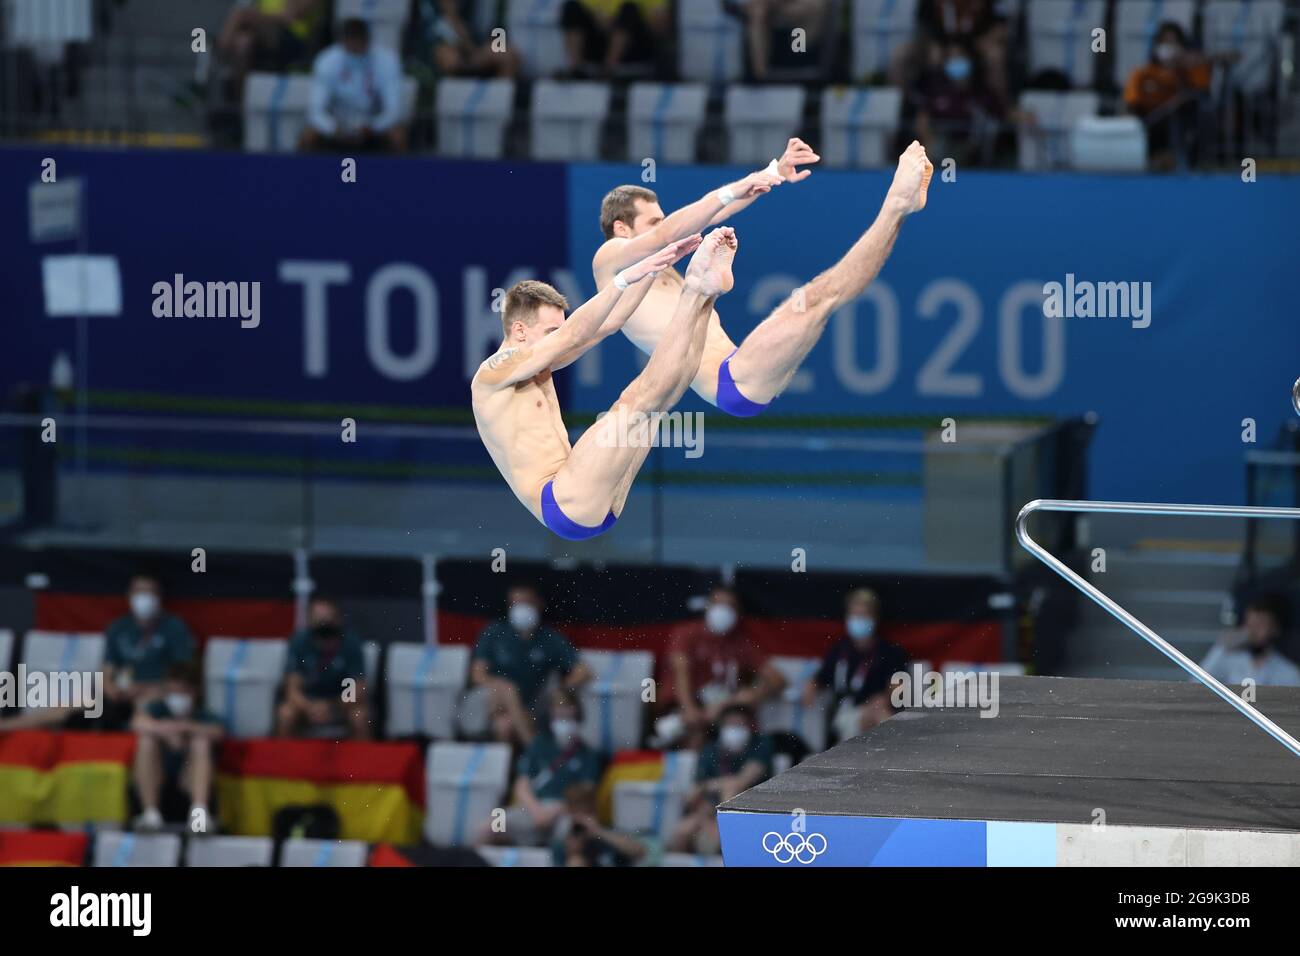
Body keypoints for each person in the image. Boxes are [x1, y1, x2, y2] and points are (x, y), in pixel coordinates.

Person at [590, 140, 930, 420]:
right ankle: (897, 205)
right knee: (818, 299)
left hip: (739, 371)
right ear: (621, 228)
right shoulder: (610, 260)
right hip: (729, 380)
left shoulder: (663, 264)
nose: (662, 225)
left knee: (820, 302)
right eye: (652, 221)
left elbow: (716, 213)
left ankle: (900, 209)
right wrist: (733, 190)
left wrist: (773, 172)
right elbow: (669, 232)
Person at [472, 228, 740, 542]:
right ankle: (694, 291)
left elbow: (609, 324)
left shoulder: (538, 365)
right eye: (550, 332)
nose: (557, 337)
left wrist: (652, 270)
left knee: (656, 407)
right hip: (559, 500)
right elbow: (573, 334)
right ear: (519, 330)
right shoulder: (492, 373)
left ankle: (702, 295)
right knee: (634, 402)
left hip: (592, 499)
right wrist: (624, 278)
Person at [658, 586, 786, 748]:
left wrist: (752, 694)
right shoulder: (686, 633)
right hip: (683, 706)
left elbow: (778, 679)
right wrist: (689, 708)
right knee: (694, 734)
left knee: (742, 728)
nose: (722, 611)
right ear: (707, 607)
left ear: (738, 613)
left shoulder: (740, 642)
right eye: (718, 603)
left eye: (729, 606)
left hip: (722, 707)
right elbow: (680, 672)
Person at [469, 584, 594, 745]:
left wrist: (561, 688)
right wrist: (498, 686)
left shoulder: (550, 638)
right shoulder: (494, 632)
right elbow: (477, 675)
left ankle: (517, 768)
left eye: (526, 603)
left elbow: (583, 671)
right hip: (490, 699)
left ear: (539, 604)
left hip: (531, 705)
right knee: (507, 689)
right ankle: (533, 750)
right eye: (515, 604)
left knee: (504, 725)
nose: (521, 609)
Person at [479, 688, 603, 846]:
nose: (563, 717)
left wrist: (555, 810)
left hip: (567, 814)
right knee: (488, 827)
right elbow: (521, 784)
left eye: (568, 712)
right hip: (532, 809)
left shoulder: (588, 754)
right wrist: (535, 810)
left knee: (574, 835)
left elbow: (585, 795)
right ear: (551, 715)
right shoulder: (539, 744)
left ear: (577, 715)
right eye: (559, 712)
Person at [803, 588, 910, 745]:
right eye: (854, 615)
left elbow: (899, 690)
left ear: (874, 618)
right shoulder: (839, 651)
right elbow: (820, 679)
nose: (857, 620)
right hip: (844, 714)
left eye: (863, 615)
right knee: (874, 716)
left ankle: (895, 752)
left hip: (878, 711)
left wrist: (885, 698)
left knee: (879, 713)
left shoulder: (891, 652)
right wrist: (810, 686)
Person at [131, 661, 224, 833]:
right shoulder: (158, 709)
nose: (177, 697)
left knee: (201, 742)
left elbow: (217, 732)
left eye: (182, 692)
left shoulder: (202, 714)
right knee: (146, 741)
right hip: (159, 779)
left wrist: (186, 728)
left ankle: (199, 815)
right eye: (172, 692)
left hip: (187, 780)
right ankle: (150, 814)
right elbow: (137, 723)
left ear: (194, 692)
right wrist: (166, 730)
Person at [1123, 21, 1229, 171]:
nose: (1169, 47)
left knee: (1199, 111)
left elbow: (1200, 91)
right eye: (1164, 42)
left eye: (1173, 42)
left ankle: (1193, 162)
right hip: (1152, 123)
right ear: (1156, 46)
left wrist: (1184, 66)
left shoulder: (1190, 68)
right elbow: (1132, 102)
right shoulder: (1142, 73)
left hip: (1182, 120)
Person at [669, 704, 772, 854]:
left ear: (750, 726)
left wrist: (709, 786)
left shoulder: (761, 744)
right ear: (721, 727)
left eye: (740, 724)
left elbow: (741, 781)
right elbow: (696, 792)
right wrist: (705, 820)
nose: (735, 729)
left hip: (752, 811)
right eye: (731, 725)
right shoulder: (710, 750)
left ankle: (725, 833)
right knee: (682, 832)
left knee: (730, 790)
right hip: (710, 812)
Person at [299, 18, 408, 153]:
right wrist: (332, 128)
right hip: (338, 123)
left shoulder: (387, 60)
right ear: (343, 41)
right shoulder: (327, 61)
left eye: (359, 41)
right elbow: (315, 109)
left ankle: (401, 173)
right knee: (308, 136)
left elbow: (394, 110)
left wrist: (373, 126)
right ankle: (305, 174)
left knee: (397, 136)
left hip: (372, 122)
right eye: (351, 41)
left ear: (367, 40)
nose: (356, 46)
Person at [103, 574, 197, 728]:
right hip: (122, 692)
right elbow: (107, 669)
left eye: (150, 592)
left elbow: (183, 677)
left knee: (143, 705)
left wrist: (142, 688)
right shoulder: (118, 627)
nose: (144, 597)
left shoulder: (174, 627)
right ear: (129, 595)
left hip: (159, 692)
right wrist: (111, 690)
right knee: (72, 705)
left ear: (159, 596)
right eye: (139, 591)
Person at [276, 596, 371, 740]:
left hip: (340, 704)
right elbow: (293, 688)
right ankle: (285, 760)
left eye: (328, 618)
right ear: (309, 620)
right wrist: (310, 707)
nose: (323, 623)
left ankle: (363, 761)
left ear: (338, 619)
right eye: (318, 618)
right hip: (307, 704)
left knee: (360, 716)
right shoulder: (299, 642)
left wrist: (332, 707)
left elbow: (356, 688)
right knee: (285, 714)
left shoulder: (351, 643)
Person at [1200, 594, 1300, 689]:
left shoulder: (1288, 672)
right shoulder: (1229, 659)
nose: (1252, 632)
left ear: (1275, 629)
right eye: (1249, 625)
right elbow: (1198, 682)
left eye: (1260, 625)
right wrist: (1222, 646)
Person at [560, 0, 669, 78]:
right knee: (571, 7)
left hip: (633, 47)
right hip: (601, 43)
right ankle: (576, 68)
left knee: (629, 10)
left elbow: (660, 27)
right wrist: (601, 19)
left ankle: (610, 68)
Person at [552, 781, 649, 866]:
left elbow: (639, 851)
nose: (582, 819)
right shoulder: (563, 841)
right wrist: (573, 852)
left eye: (586, 812)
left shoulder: (610, 834)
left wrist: (599, 832)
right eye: (576, 813)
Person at [422, 0, 518, 78]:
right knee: (450, 59)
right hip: (442, 44)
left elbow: (498, 28)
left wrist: (484, 51)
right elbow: (452, 18)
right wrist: (471, 50)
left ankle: (496, 99)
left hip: (476, 46)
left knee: (508, 56)